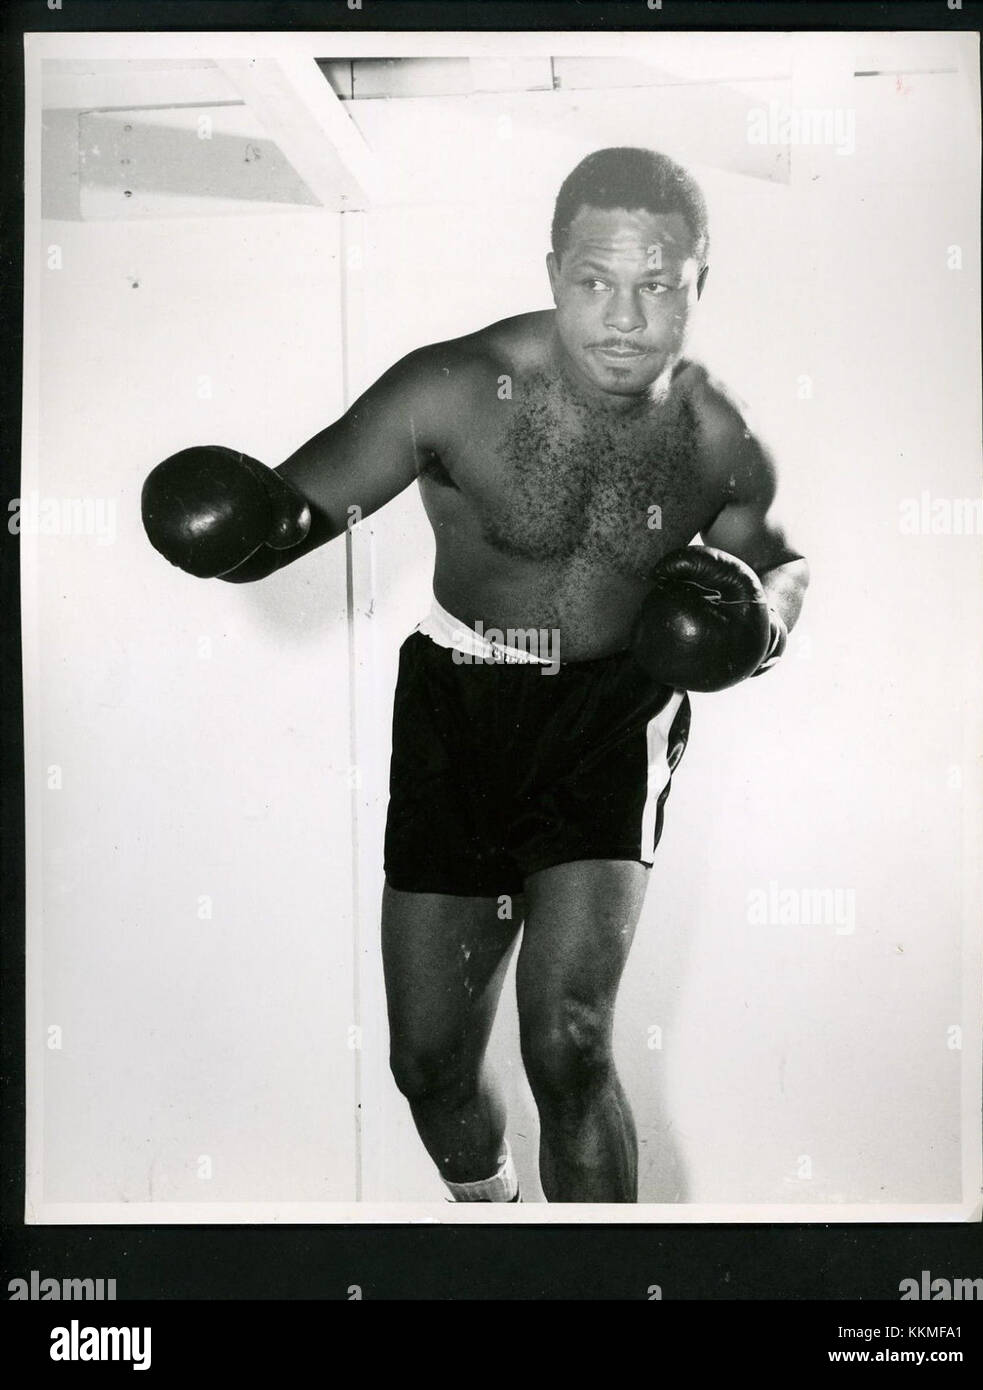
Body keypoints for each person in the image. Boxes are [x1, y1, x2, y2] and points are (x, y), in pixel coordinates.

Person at [142, 147, 810, 1203]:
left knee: (571, 1043)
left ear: (698, 283)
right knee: (427, 1064)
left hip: (607, 717)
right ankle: (493, 1217)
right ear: (552, 272)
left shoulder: (717, 437)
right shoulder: (452, 388)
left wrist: (761, 624)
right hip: (459, 705)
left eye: (657, 286)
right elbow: (296, 507)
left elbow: (775, 561)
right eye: (595, 281)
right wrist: (247, 526)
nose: (624, 318)